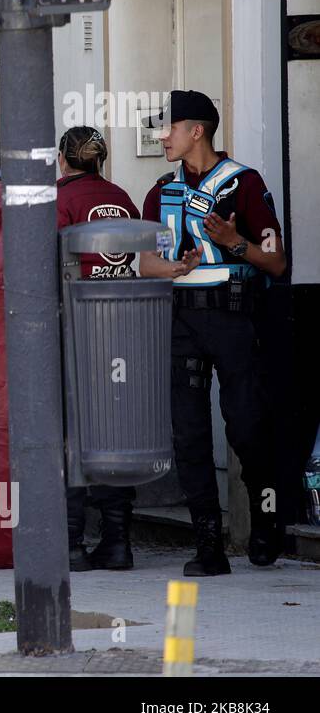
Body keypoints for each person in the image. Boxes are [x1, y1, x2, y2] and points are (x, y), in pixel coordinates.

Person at [138, 90, 288, 577]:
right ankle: (208, 545)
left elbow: (277, 262)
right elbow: (146, 263)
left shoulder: (244, 184)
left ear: (195, 131)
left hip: (234, 318)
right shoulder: (161, 190)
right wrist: (173, 267)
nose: (162, 136)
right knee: (189, 434)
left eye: (170, 128)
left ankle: (268, 523)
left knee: (245, 426)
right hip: (181, 318)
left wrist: (232, 242)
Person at [56, 126, 141, 570]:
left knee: (71, 435)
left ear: (62, 158)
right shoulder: (122, 196)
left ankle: (71, 544)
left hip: (75, 326)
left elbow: (45, 261)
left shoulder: (59, 199)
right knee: (115, 433)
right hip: (125, 328)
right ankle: (119, 542)